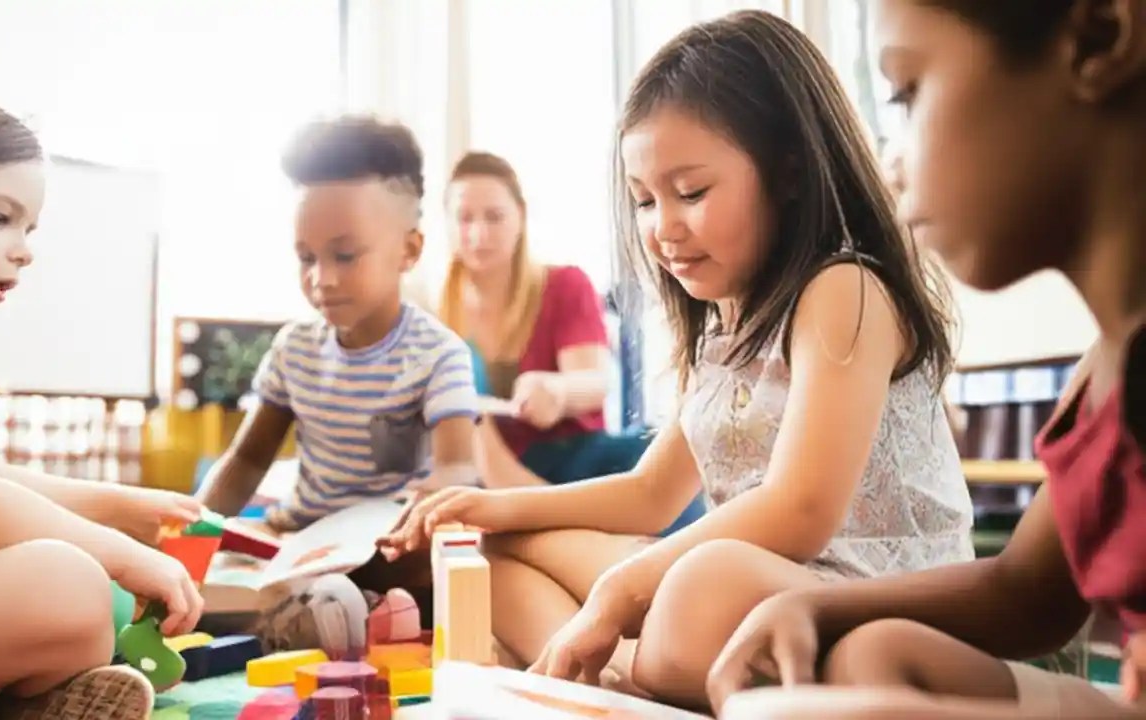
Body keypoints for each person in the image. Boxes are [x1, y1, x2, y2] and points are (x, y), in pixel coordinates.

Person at [381, 11, 973, 708]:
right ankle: (594, 677)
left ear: (788, 172)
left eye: (691, 193)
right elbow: (650, 493)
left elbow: (802, 510)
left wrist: (626, 587)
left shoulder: (843, 289)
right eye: (643, 201)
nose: (663, 228)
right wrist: (496, 506)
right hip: (755, 588)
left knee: (702, 582)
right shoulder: (726, 326)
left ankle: (623, 670)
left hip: (862, 600)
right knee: (499, 551)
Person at [707, 1, 1146, 718]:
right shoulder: (1104, 370)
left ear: (1099, 37)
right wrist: (817, 610)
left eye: (908, 94)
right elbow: (1025, 595)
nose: (892, 158)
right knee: (875, 653)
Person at [0, 64, 205, 720]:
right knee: (67, 580)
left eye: (29, 229)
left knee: (94, 590)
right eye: (0, 218)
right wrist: (122, 553)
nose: (23, 251)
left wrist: (115, 507)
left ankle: (31, 701)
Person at [196, 117, 480, 616]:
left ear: (409, 250)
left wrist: (419, 515)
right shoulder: (295, 348)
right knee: (213, 576)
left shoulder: (438, 354)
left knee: (443, 565)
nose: (321, 279)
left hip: (389, 546)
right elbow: (246, 460)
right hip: (299, 538)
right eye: (306, 257)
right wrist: (196, 531)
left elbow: (458, 468)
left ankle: (341, 610)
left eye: (345, 256)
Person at [439, 151, 706, 533]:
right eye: (465, 218)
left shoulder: (565, 285)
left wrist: (558, 391)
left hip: (586, 471)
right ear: (447, 224)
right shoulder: (437, 316)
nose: (479, 234)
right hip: (498, 479)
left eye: (494, 217)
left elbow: (596, 382)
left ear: (521, 217)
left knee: (660, 470)